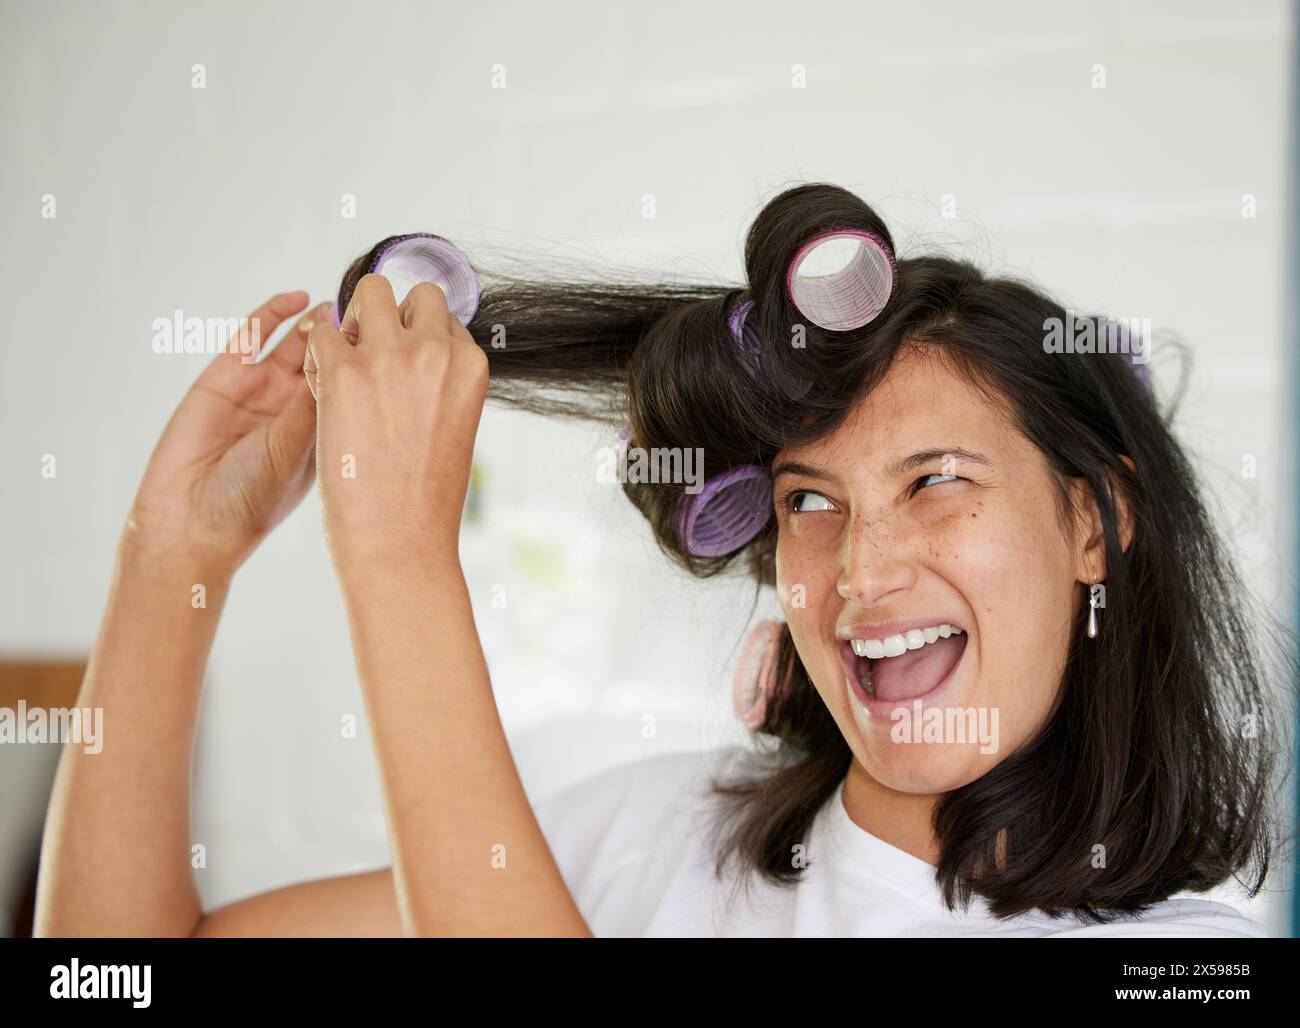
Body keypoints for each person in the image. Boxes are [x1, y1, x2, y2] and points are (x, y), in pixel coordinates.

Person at [32, 183, 1293, 937]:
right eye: (810, 501)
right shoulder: (661, 833)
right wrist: (172, 560)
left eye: (935, 482)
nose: (861, 568)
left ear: (1095, 521)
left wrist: (398, 558)